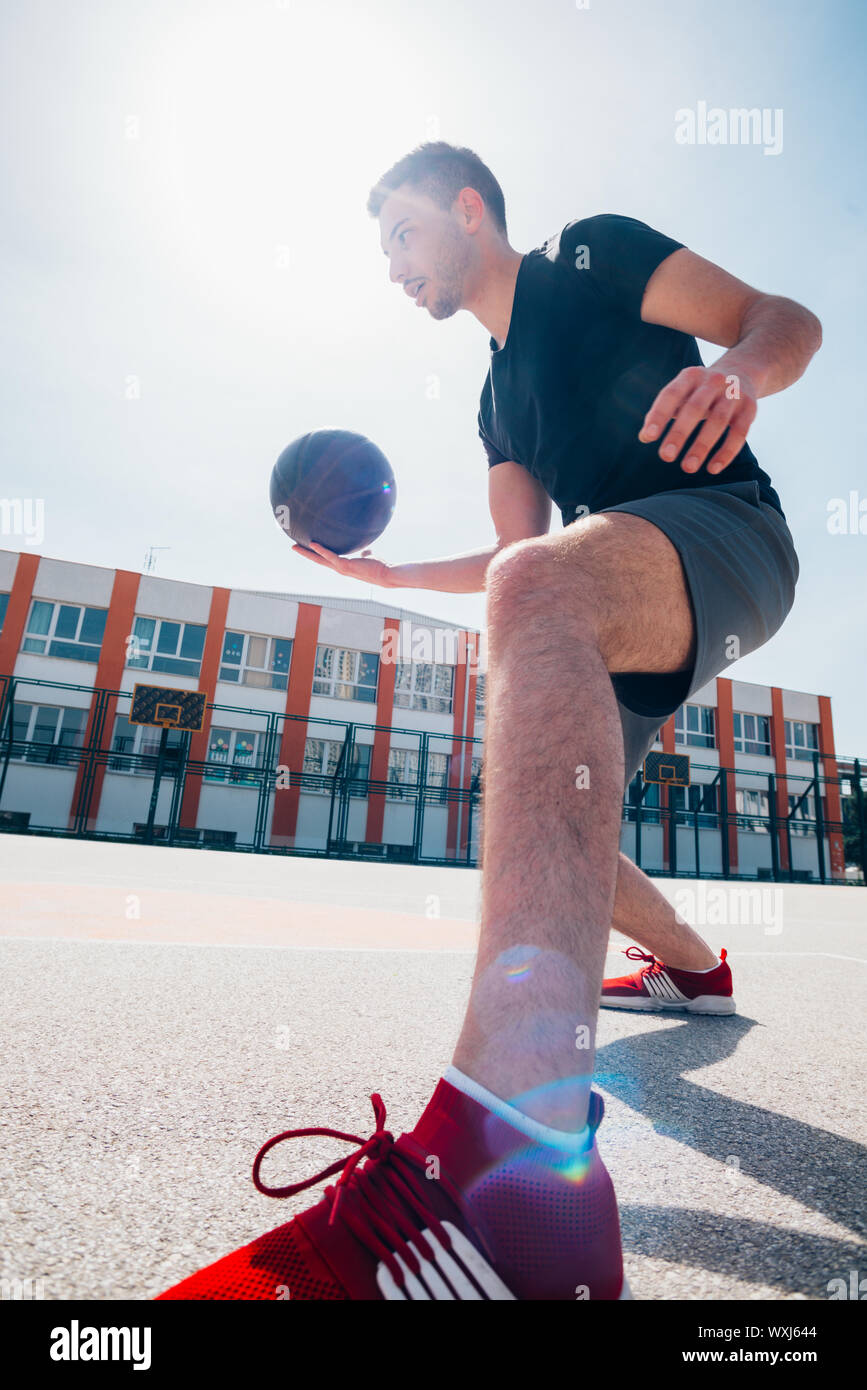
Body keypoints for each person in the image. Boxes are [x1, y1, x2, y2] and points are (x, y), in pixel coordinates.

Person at [157, 142, 820, 1301]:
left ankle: (504, 1164)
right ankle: (695, 968)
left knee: (537, 600)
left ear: (469, 210)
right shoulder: (494, 401)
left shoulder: (591, 256)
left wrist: (744, 373)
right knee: (563, 824)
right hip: (619, 580)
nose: (394, 267)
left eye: (404, 236)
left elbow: (784, 314)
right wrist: (395, 578)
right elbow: (522, 559)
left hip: (726, 530)